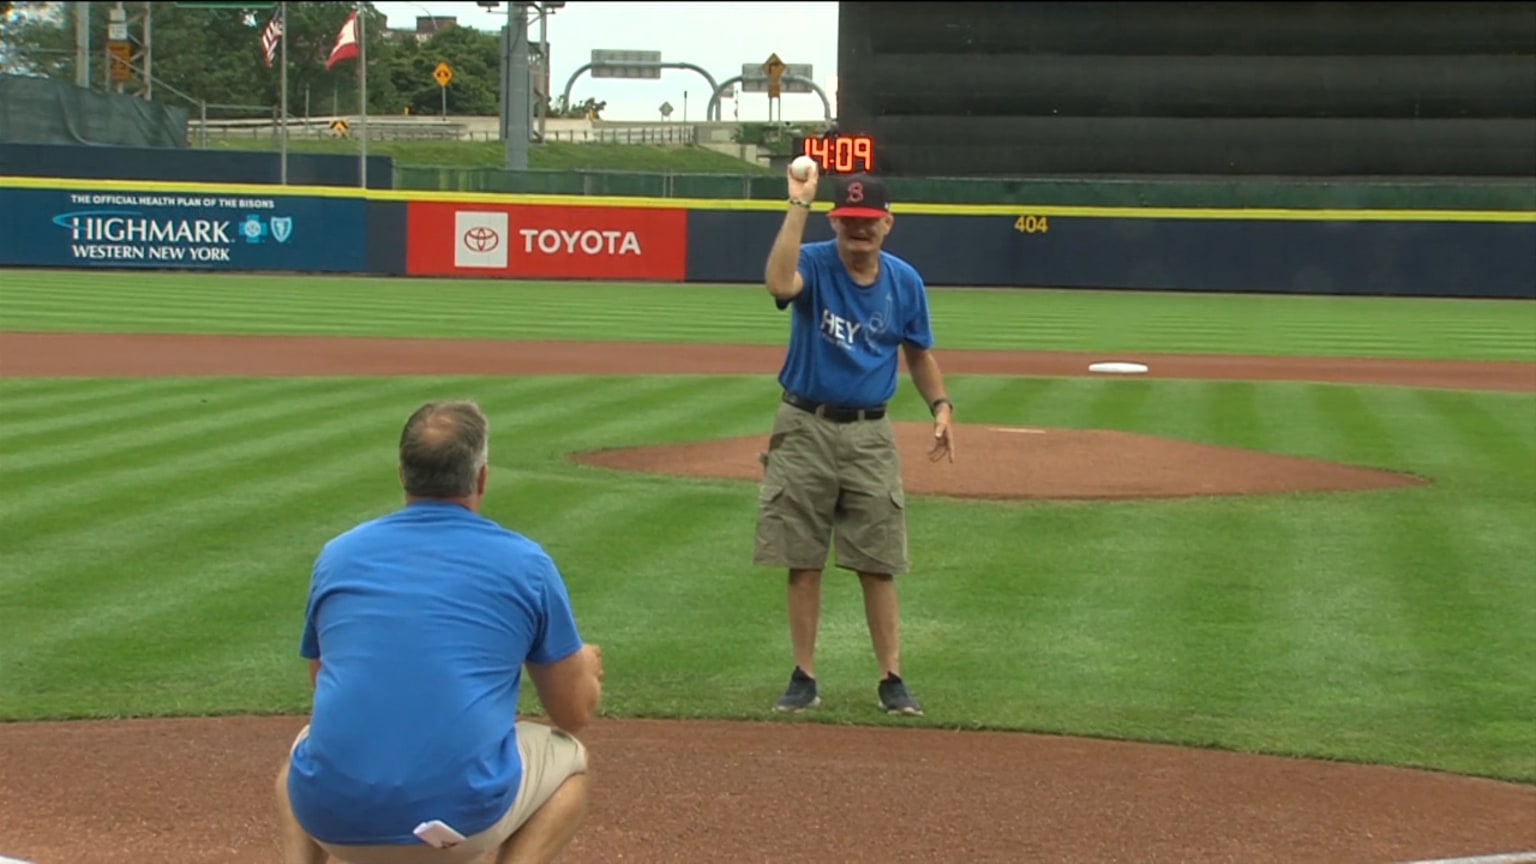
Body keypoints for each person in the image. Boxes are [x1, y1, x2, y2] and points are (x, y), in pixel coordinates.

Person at [274, 400, 604, 864]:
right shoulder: (525, 563)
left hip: (329, 822)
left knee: (305, 757)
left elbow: (321, 682)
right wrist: (584, 666)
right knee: (569, 761)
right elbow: (572, 713)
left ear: (402, 474)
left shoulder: (338, 555)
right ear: (482, 478)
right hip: (457, 830)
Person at [754, 165, 955, 718]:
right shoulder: (814, 264)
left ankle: (891, 678)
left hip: (870, 431)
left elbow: (918, 351)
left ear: (887, 223)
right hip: (804, 425)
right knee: (802, 557)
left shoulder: (905, 281)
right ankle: (803, 675)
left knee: (878, 560)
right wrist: (798, 206)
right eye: (847, 221)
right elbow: (777, 282)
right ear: (834, 222)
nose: (858, 231)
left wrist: (939, 405)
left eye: (868, 222)